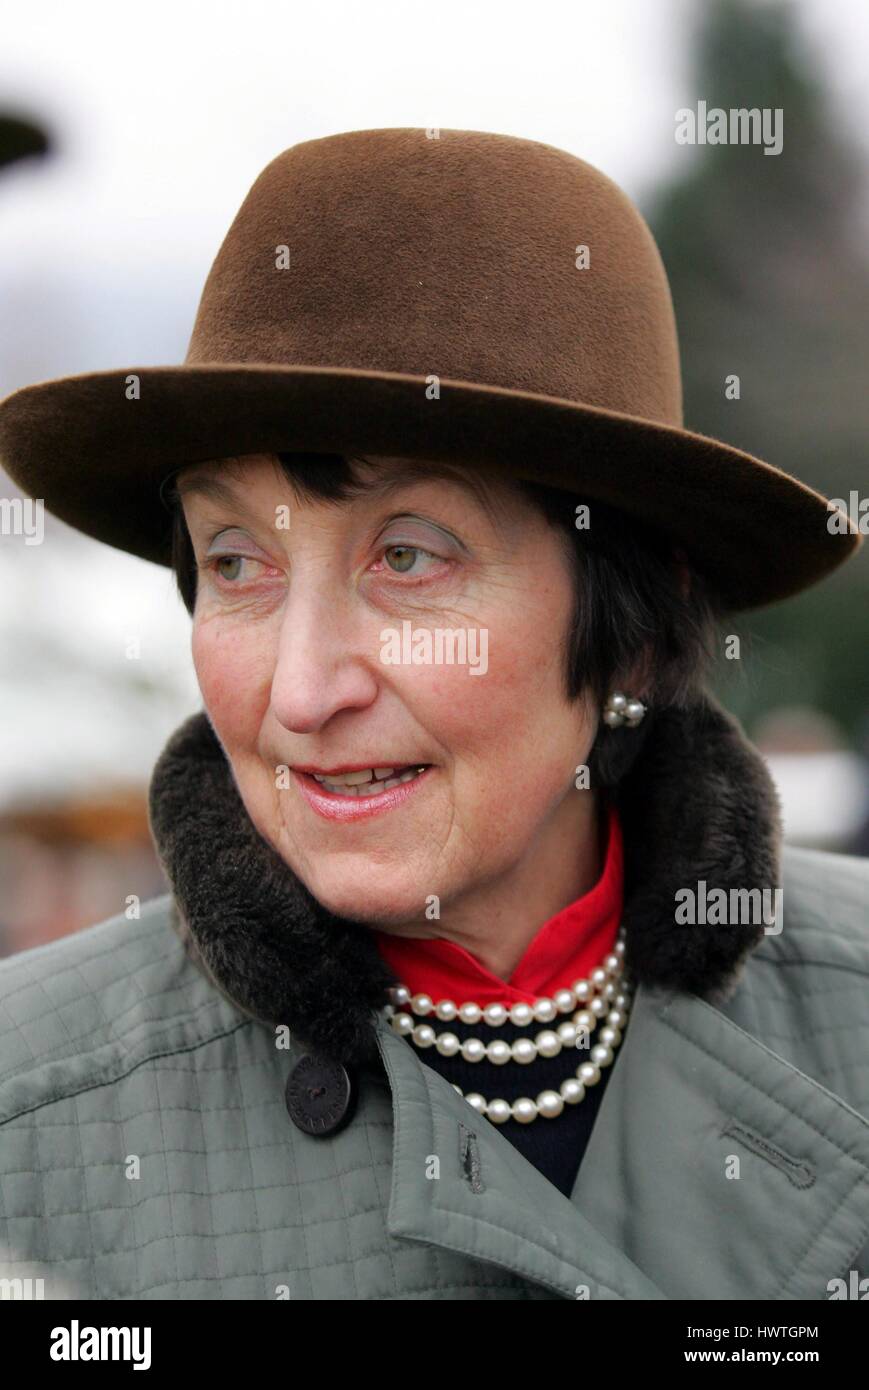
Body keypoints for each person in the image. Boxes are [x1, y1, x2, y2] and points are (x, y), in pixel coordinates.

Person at [0, 127, 866, 1302]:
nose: (302, 692)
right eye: (237, 561)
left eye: (409, 555)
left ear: (642, 623)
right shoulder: (30, 1110)